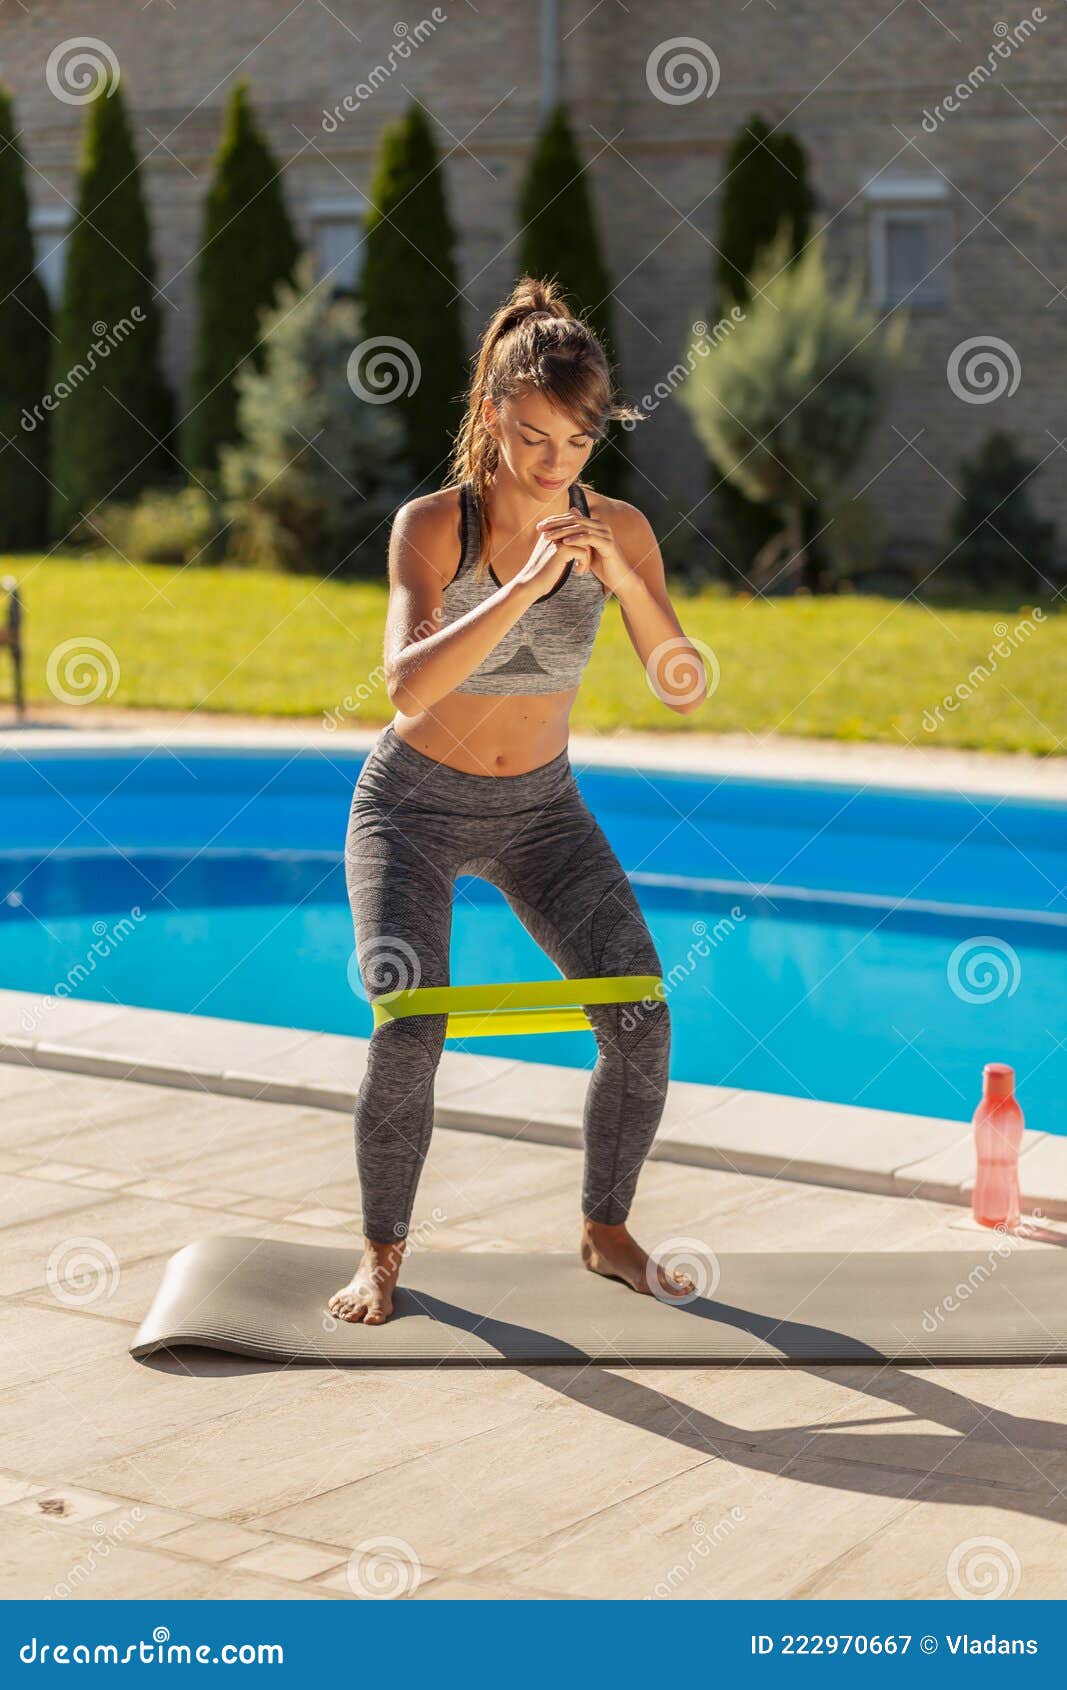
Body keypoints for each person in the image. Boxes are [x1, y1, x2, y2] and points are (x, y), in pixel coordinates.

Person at [329, 276, 708, 1325]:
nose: (554, 464)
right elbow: (404, 688)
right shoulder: (431, 526)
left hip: (543, 811)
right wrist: (521, 588)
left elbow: (682, 686)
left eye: (578, 443)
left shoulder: (618, 528)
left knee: (638, 1017)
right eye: (535, 438)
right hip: (408, 806)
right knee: (409, 1025)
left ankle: (604, 1227)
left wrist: (621, 582)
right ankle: (381, 1253)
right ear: (494, 415)